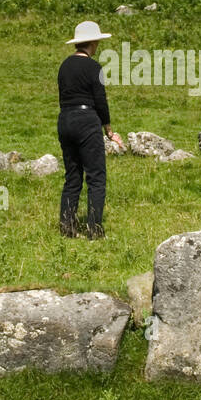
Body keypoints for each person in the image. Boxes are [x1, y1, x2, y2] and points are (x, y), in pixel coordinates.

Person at [57, 20, 122, 238]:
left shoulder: (64, 66)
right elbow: (100, 101)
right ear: (93, 43)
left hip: (65, 119)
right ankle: (94, 228)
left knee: (72, 176)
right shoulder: (94, 68)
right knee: (96, 177)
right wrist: (109, 130)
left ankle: (67, 227)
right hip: (87, 120)